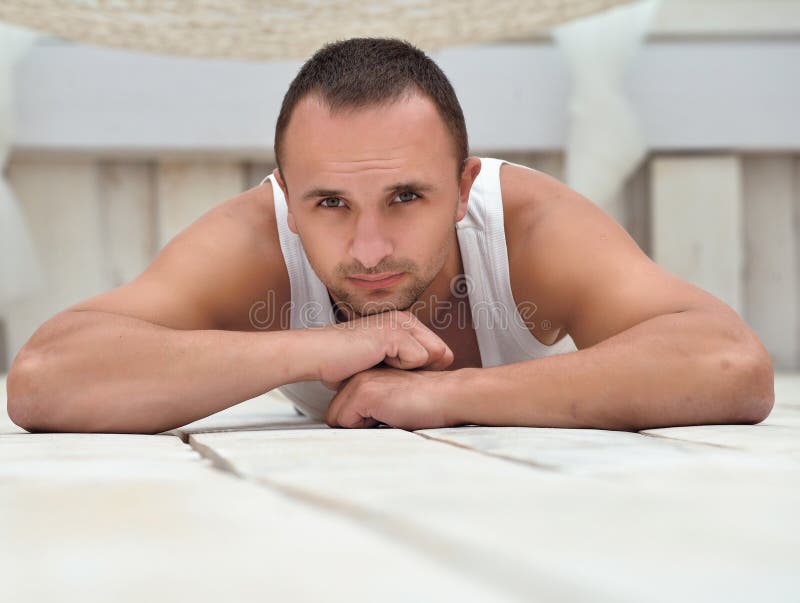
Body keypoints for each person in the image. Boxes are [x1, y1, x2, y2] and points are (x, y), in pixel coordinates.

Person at [6, 37, 773, 434]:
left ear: (464, 189)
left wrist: (448, 395)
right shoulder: (254, 241)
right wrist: (317, 348)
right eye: (330, 203)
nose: (369, 247)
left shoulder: (528, 227)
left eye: (405, 196)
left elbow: (729, 361)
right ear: (287, 199)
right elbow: (45, 375)